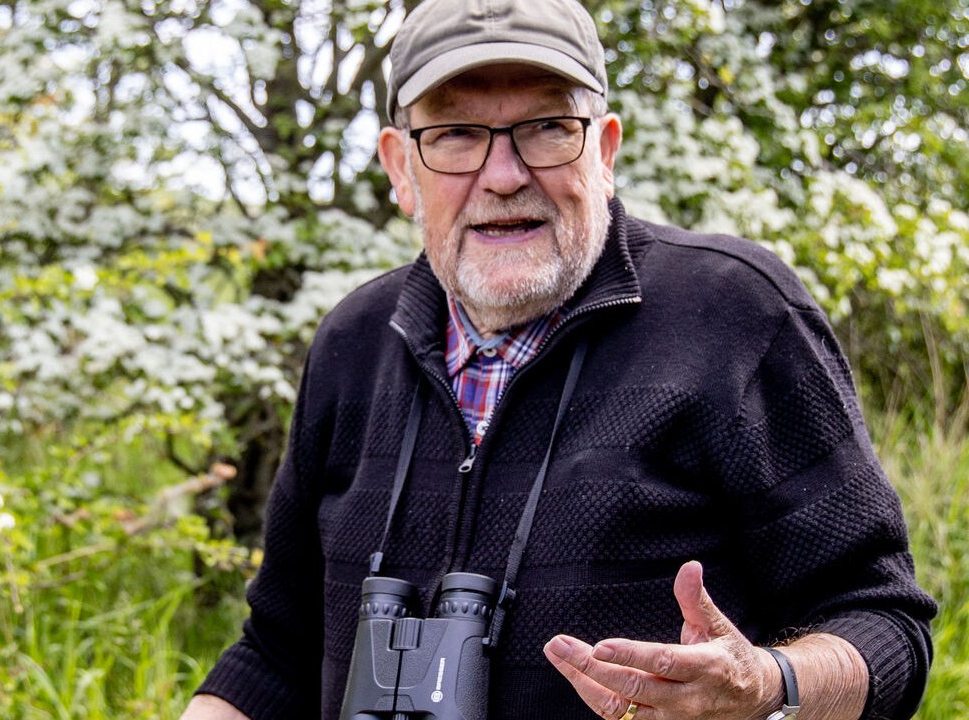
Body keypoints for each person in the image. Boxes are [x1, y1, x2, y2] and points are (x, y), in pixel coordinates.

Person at [181, 0, 936, 718]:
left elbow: (884, 622)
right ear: (400, 169)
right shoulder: (353, 341)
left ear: (604, 149)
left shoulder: (738, 314)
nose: (504, 175)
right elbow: (278, 653)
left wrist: (769, 685)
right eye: (455, 134)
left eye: (547, 127)